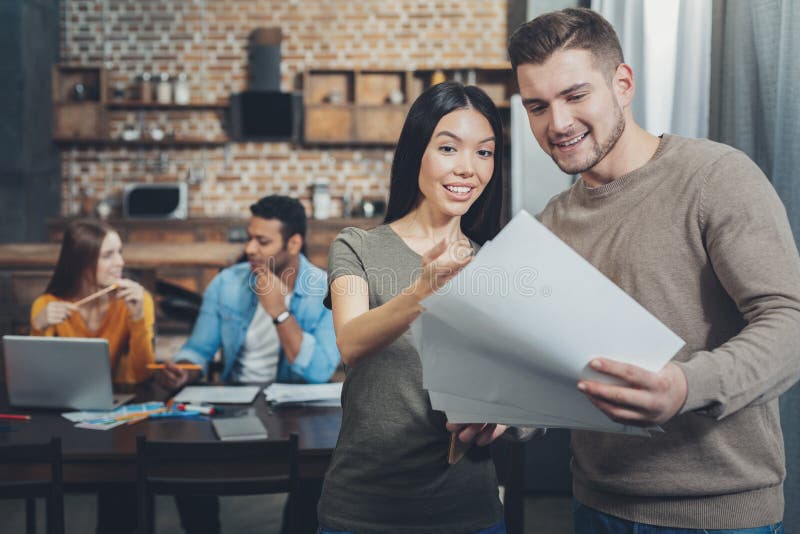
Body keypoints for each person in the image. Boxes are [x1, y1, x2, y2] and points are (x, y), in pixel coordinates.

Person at [508, 7, 800, 533]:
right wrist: (501, 414)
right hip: (595, 507)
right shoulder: (550, 224)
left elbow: (790, 324)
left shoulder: (716, 177)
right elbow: (550, 371)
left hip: (722, 517)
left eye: (575, 96)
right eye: (537, 106)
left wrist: (685, 388)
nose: (558, 124)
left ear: (622, 83)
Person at [319, 81, 528, 534]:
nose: (468, 169)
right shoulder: (356, 247)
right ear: (417, 150)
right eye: (449, 148)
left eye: (485, 153)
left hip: (468, 511)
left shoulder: (495, 263)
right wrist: (422, 290)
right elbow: (350, 341)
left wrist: (508, 420)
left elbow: (522, 388)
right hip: (362, 511)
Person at [154, 194, 340, 534]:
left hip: (297, 410)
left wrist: (279, 311)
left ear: (294, 243)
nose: (251, 248)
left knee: (316, 479)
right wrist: (184, 367)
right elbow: (199, 349)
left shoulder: (326, 289)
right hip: (235, 402)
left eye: (263, 240)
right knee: (185, 460)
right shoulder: (227, 283)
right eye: (249, 237)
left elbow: (319, 371)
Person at [30, 219, 155, 534]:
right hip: (64, 417)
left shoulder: (135, 301)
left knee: (125, 476)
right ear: (82, 263)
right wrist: (40, 328)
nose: (121, 262)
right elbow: (36, 379)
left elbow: (141, 374)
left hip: (116, 415)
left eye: (120, 252)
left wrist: (140, 318)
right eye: (109, 255)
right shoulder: (46, 306)